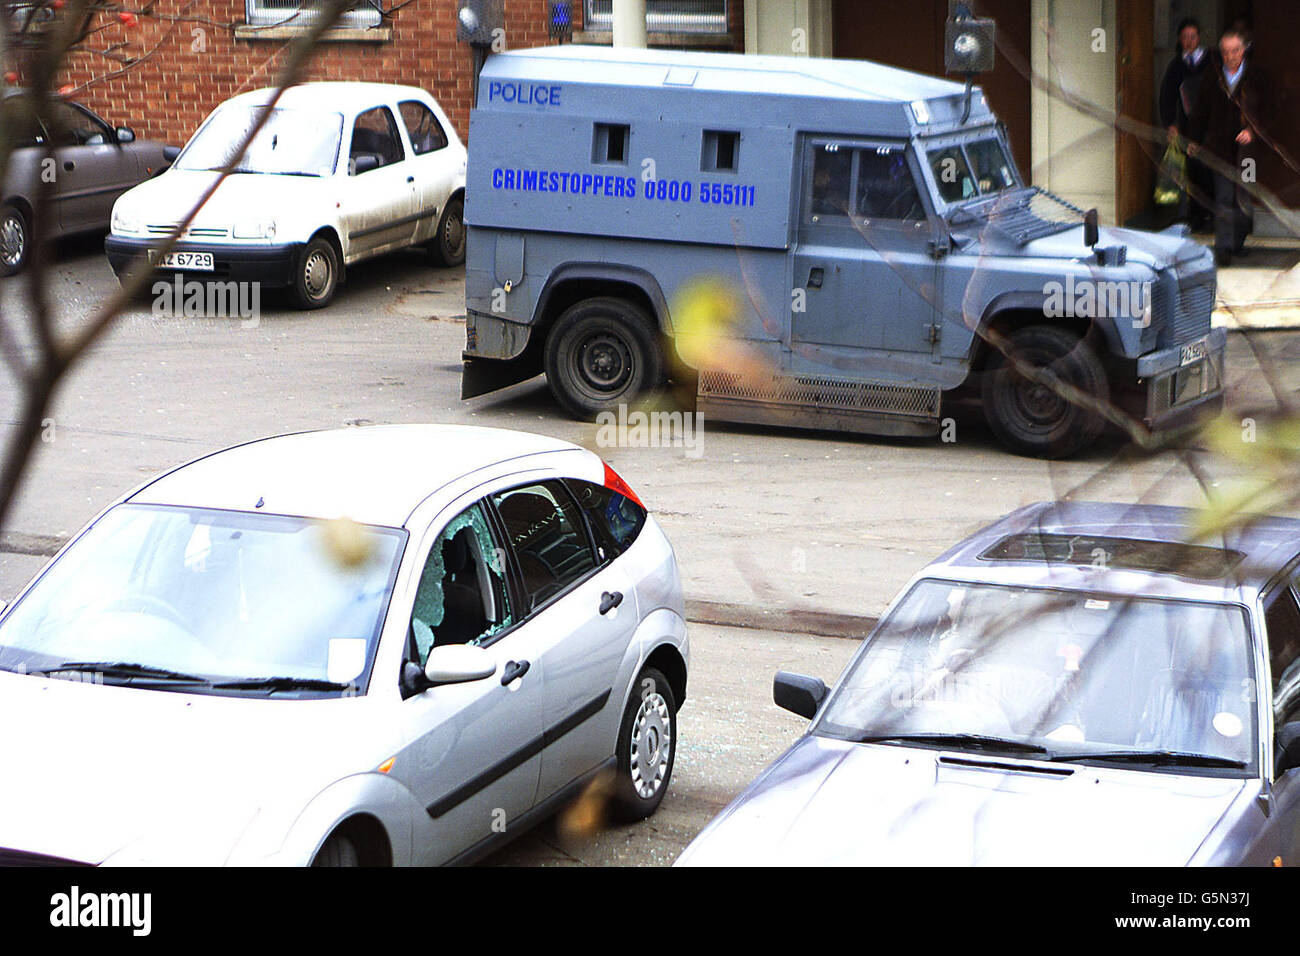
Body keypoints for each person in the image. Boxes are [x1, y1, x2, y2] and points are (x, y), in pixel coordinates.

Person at [1187, 29, 1271, 266]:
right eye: (1225, 52)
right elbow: (1200, 111)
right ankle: (1223, 247)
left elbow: (1270, 111)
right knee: (1223, 197)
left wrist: (1253, 131)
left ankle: (1238, 243)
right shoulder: (1212, 77)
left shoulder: (1256, 77)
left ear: (1243, 50)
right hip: (1219, 148)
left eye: (1235, 51)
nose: (1230, 56)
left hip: (1247, 154)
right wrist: (1194, 139)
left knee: (1242, 198)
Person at [1158, 18, 1211, 229]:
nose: (1189, 41)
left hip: (1210, 125)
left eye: (1193, 37)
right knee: (1192, 170)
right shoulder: (1176, 65)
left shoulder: (1211, 60)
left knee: (1212, 169)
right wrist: (1170, 122)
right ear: (1180, 39)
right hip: (1188, 126)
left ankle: (1211, 214)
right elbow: (1167, 96)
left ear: (1199, 38)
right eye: (1185, 37)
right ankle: (1195, 215)